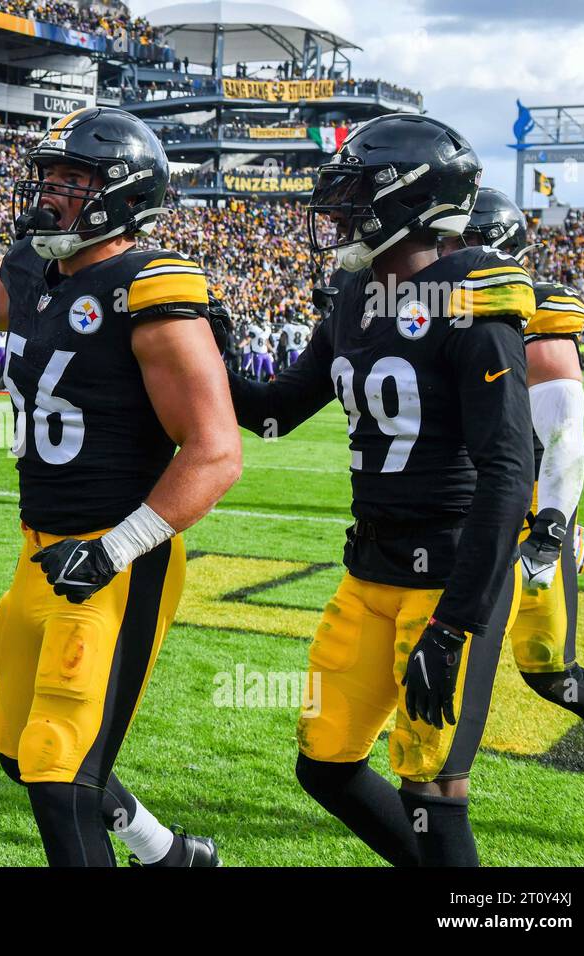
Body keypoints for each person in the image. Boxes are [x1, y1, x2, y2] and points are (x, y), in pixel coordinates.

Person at [0, 106, 240, 866]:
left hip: (118, 562)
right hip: (40, 557)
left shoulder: (149, 289)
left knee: (59, 771)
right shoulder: (36, 272)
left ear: (122, 194)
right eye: (49, 176)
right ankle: (167, 855)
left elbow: (216, 452)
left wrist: (115, 547)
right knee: (22, 754)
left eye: (74, 180)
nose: (51, 192)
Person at [227, 115, 535, 866]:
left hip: (451, 573)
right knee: (325, 761)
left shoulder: (471, 302)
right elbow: (271, 416)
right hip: (371, 570)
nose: (341, 210)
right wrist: (203, 343)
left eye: (358, 192)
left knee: (432, 787)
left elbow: (508, 470)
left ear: (410, 201)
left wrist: (457, 625)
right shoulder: (355, 295)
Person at [444, 189, 584, 750]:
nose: (444, 253)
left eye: (458, 241)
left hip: (516, 525)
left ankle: (433, 802)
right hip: (464, 515)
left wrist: (552, 528)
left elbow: (564, 436)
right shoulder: (443, 306)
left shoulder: (534, 316)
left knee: (548, 671)